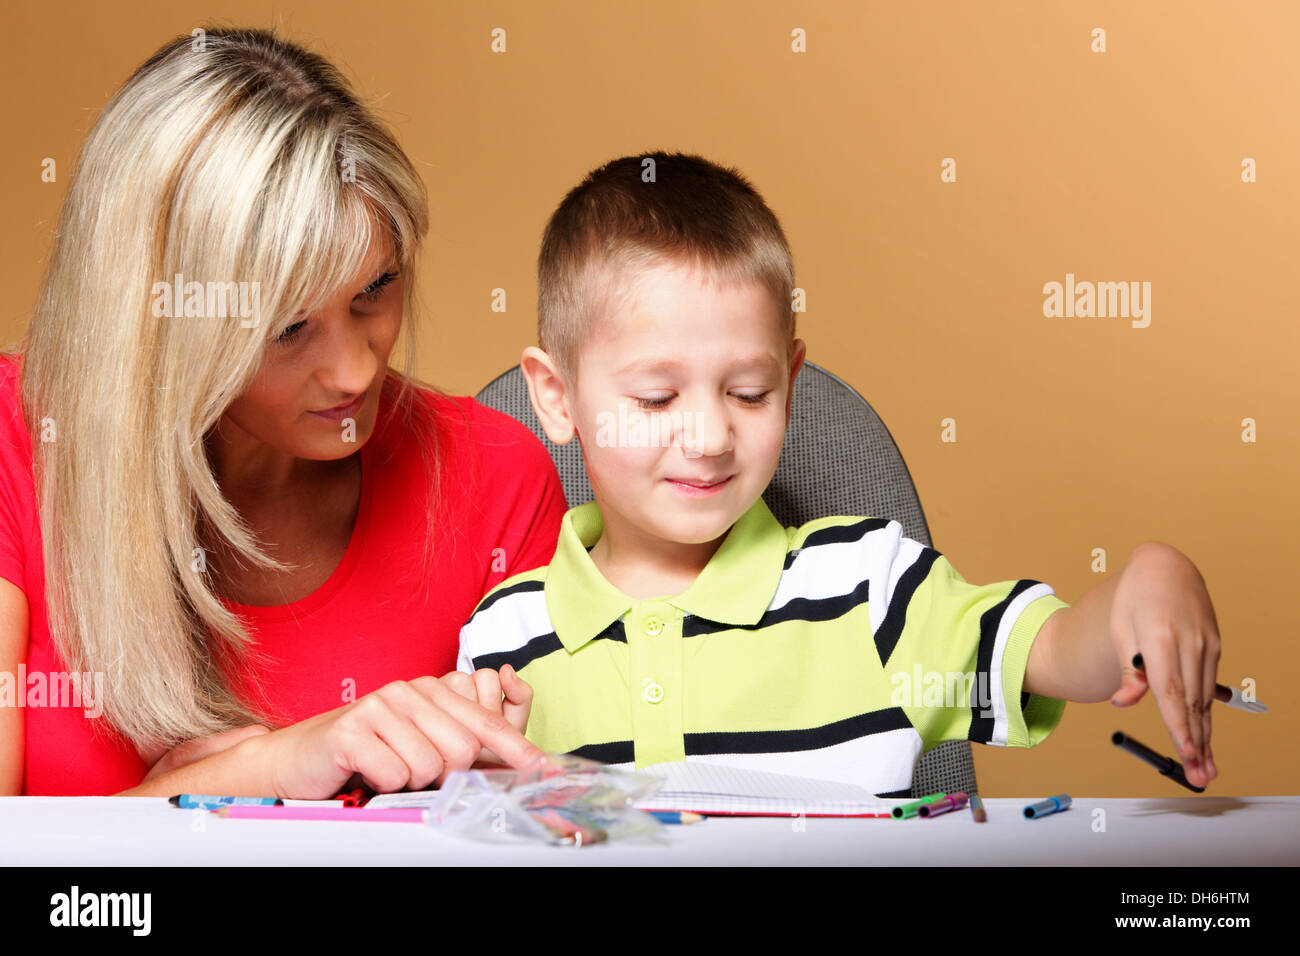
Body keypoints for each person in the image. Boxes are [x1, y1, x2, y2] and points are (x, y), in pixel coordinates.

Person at [458, 150, 1222, 794]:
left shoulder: (871, 587)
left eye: (748, 393)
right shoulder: (501, 635)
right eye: (658, 397)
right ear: (557, 398)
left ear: (789, 384)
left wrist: (1146, 586)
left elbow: (1053, 651)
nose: (710, 434)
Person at [0, 28, 565, 797]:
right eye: (288, 328)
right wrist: (267, 768)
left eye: (377, 288)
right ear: (153, 319)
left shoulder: (497, 476)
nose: (356, 369)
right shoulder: (14, 438)